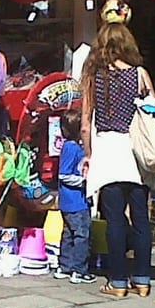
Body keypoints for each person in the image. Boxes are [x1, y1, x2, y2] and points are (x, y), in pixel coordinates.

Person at [80, 19, 155, 298]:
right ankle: (143, 280)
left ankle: (119, 282)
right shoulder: (140, 75)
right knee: (140, 219)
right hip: (136, 153)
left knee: (114, 220)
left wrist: (88, 155)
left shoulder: (94, 76)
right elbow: (153, 113)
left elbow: (86, 123)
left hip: (109, 152)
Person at [52, 109, 96, 284]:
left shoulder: (69, 146)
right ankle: (79, 269)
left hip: (69, 201)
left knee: (69, 234)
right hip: (76, 201)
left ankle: (65, 266)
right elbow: (64, 175)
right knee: (81, 234)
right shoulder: (73, 148)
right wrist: (84, 182)